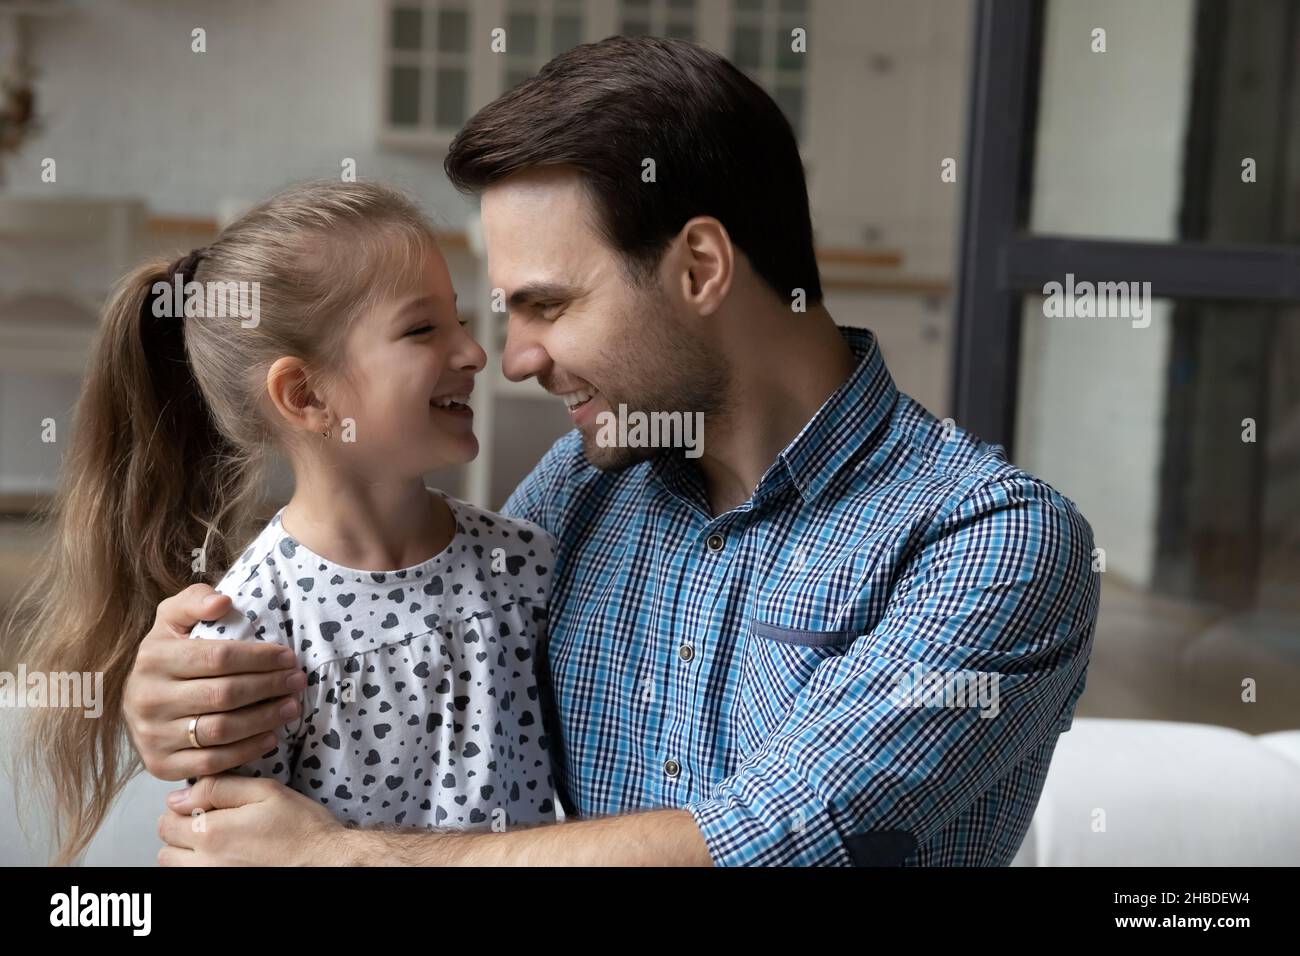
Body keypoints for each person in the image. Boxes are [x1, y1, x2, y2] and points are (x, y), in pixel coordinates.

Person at [133, 37, 1099, 866]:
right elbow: (428, 662)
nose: (512, 360)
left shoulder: (993, 541)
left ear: (700, 268)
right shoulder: (583, 488)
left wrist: (341, 857)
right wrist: (186, 703)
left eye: (549, 305)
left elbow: (778, 836)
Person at [7, 180, 558, 865]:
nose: (475, 353)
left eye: (461, 319)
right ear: (305, 395)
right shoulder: (250, 633)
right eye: (423, 329)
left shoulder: (528, 562)